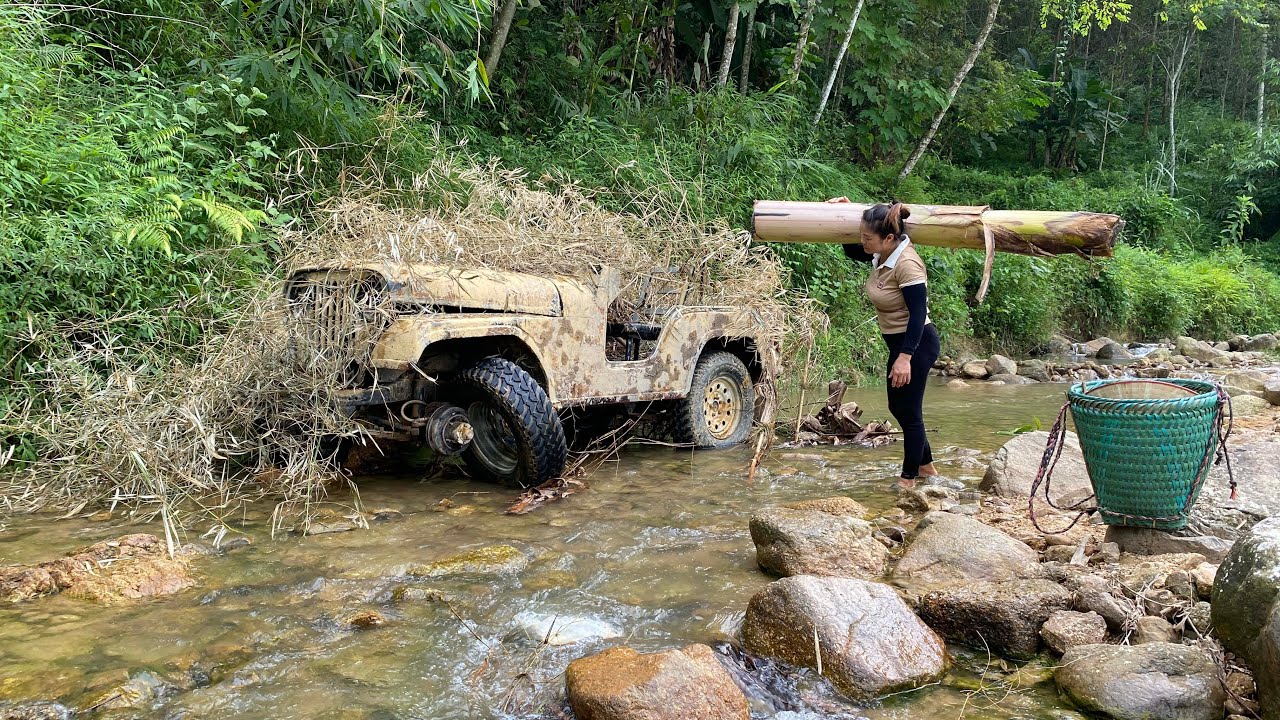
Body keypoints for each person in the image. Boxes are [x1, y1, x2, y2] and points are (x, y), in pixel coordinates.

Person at [832, 198, 940, 486]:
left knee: (910, 411)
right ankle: (926, 467)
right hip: (900, 344)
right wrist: (847, 210)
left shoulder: (907, 264)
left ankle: (908, 479)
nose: (863, 242)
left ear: (889, 238)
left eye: (868, 238)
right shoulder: (881, 253)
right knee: (898, 407)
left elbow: (918, 315)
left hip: (917, 344)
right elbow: (851, 251)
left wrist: (905, 357)